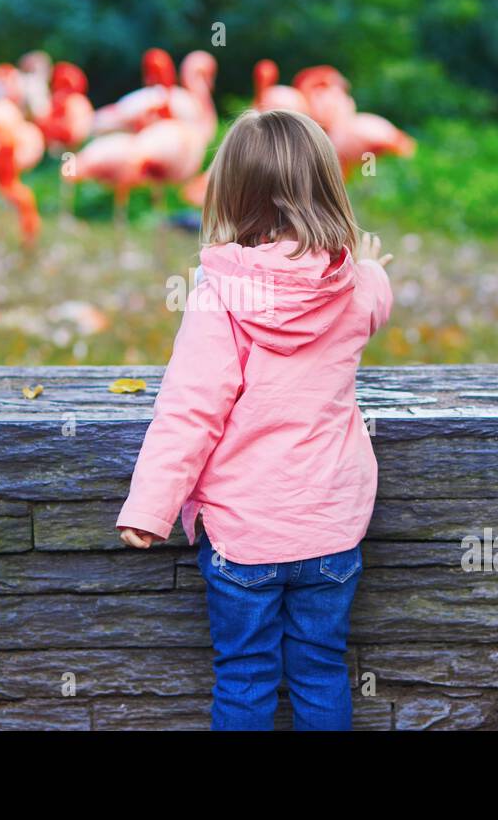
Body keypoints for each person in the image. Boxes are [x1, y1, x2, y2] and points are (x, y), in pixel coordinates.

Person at [115, 107, 394, 730]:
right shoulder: (355, 284)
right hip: (330, 529)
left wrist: (149, 507)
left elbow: (190, 410)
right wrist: (369, 264)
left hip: (244, 539)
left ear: (230, 191)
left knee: (244, 677)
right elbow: (377, 298)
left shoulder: (219, 295)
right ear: (327, 185)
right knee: (322, 671)